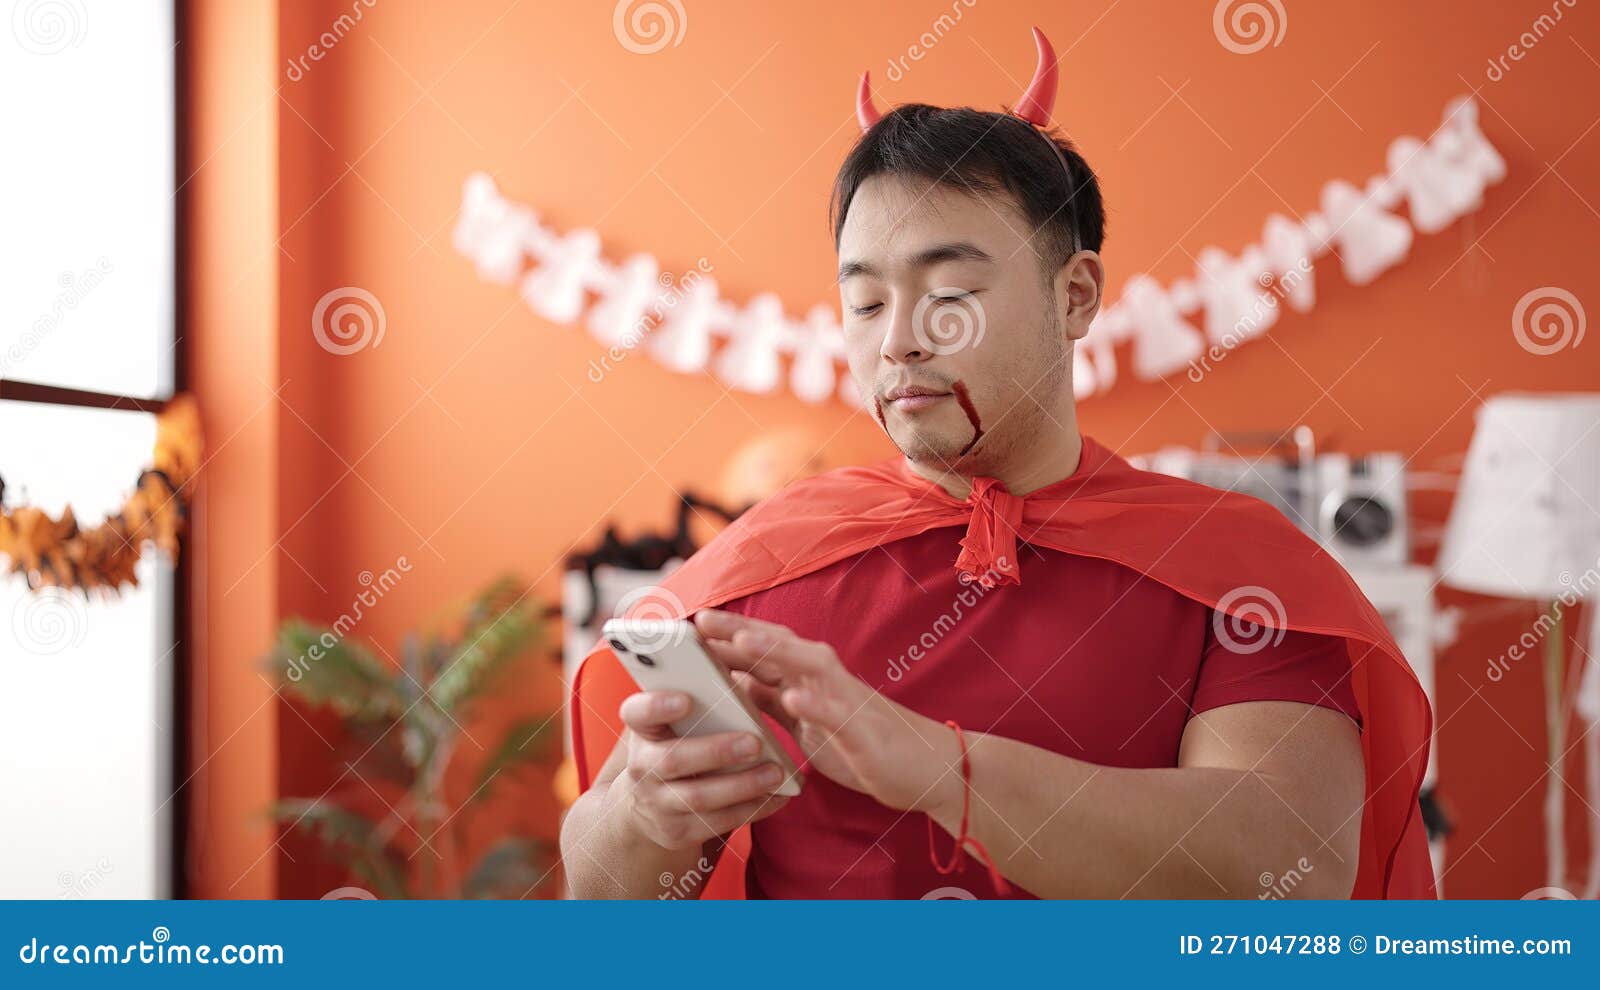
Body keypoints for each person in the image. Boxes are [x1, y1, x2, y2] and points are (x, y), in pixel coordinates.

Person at [560, 29, 1434, 900]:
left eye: (950, 294)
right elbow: (603, 906)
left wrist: (943, 769)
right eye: (864, 301)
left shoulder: (1234, 570)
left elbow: (1292, 868)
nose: (898, 341)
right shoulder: (759, 570)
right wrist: (643, 815)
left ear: (1075, 296)